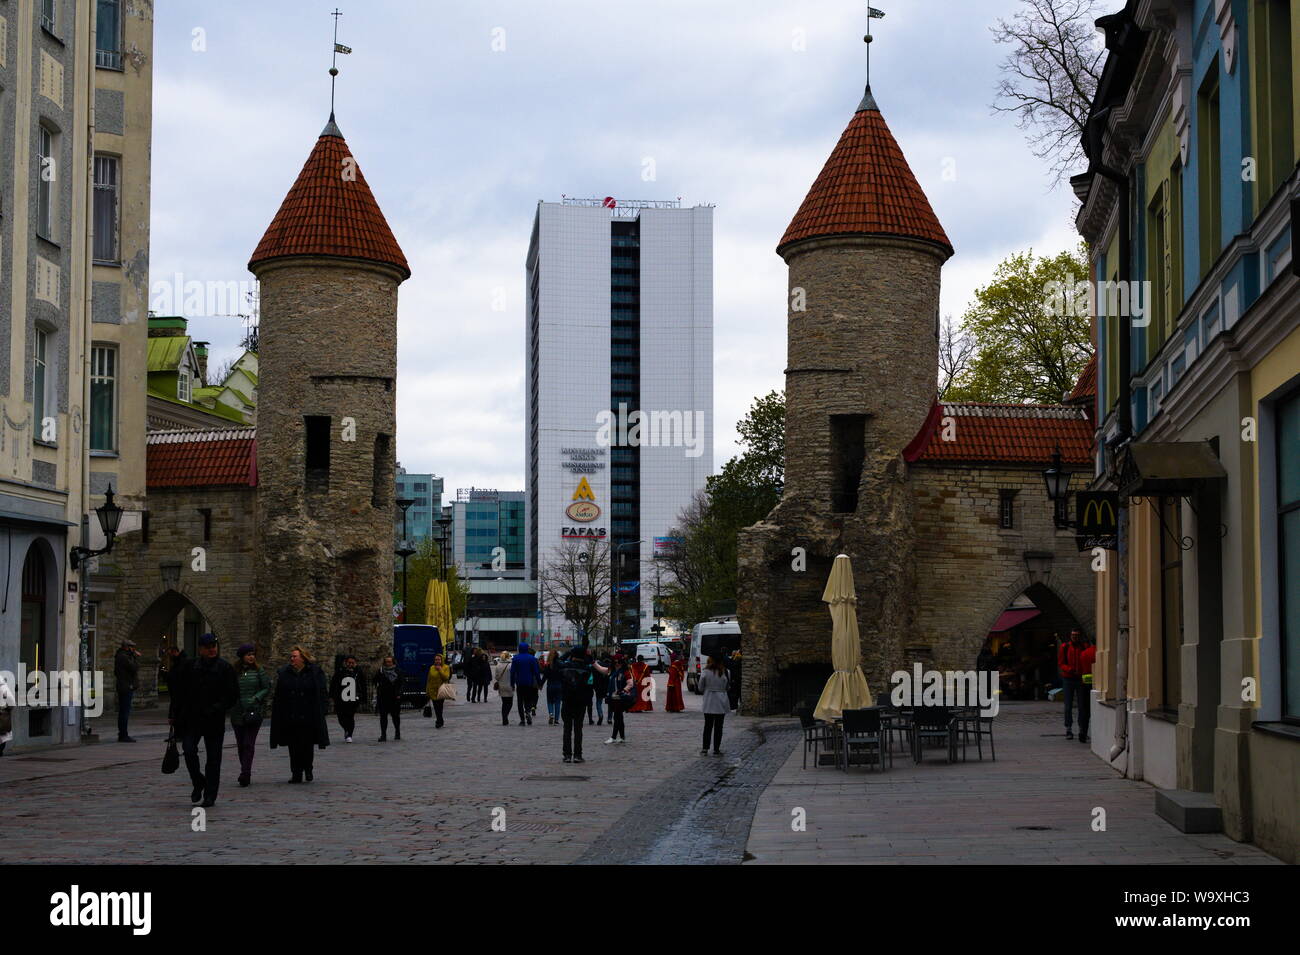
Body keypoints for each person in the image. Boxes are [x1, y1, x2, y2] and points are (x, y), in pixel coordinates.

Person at [168, 633, 238, 807]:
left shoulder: (225, 668)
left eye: (214, 646)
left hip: (214, 720)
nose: (212, 649)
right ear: (200, 649)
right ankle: (198, 781)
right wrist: (173, 714)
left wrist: (217, 707)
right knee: (189, 750)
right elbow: (178, 693)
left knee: (213, 759)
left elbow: (232, 695)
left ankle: (210, 795)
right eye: (208, 647)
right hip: (192, 718)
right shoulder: (190, 667)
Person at [270, 646, 330, 782]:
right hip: (291, 714)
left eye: (295, 656)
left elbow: (322, 692)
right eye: (291, 656)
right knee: (293, 745)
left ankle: (308, 769)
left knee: (307, 745)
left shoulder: (314, 672)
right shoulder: (285, 673)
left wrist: (323, 709)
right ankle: (296, 772)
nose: (292, 659)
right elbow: (279, 694)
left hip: (308, 714)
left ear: (303, 658)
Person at [557, 645, 609, 763]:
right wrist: (590, 658)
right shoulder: (587, 669)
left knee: (567, 729)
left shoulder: (565, 667)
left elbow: (557, 661)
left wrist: (568, 653)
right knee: (578, 729)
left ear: (572, 655)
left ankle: (567, 755)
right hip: (580, 702)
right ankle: (578, 755)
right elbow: (594, 680)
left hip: (567, 701)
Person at [229, 643, 270, 787]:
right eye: (248, 654)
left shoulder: (259, 671)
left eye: (253, 654)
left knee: (248, 744)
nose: (251, 657)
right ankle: (244, 769)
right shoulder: (234, 671)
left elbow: (266, 687)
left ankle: (245, 773)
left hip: (253, 712)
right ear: (242, 657)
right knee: (241, 744)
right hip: (237, 712)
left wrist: (256, 698)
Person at [1058, 629, 1090, 743]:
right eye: (1073, 635)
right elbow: (1061, 663)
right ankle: (1068, 728)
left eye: (1076, 635)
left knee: (1082, 706)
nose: (1074, 637)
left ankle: (1082, 729)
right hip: (1068, 678)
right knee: (1068, 705)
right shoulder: (1064, 647)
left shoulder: (1084, 646)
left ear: (1080, 636)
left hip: (1080, 679)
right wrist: (1069, 669)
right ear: (1070, 636)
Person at [699, 653, 731, 756]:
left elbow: (700, 687)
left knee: (708, 726)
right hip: (721, 701)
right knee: (719, 726)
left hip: (709, 700)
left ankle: (705, 748)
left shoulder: (705, 672)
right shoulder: (726, 672)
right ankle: (716, 749)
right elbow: (727, 687)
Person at [330, 654, 366, 743]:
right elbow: (333, 683)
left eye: (352, 663)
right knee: (341, 717)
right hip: (341, 697)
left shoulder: (358, 672)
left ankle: (349, 734)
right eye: (349, 662)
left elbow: (363, 684)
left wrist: (363, 697)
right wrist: (331, 695)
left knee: (350, 716)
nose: (350, 664)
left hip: (353, 698)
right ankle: (346, 729)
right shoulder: (340, 671)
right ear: (346, 663)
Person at [114, 638, 141, 742]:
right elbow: (134, 668)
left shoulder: (122, 656)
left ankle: (123, 734)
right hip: (126, 687)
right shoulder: (123, 657)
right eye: (132, 647)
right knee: (124, 712)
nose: (133, 649)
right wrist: (135, 657)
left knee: (124, 711)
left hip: (124, 686)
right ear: (126, 647)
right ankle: (123, 735)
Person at [510, 643, 542, 725]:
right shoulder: (532, 658)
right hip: (529, 683)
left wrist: (512, 684)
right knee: (528, 699)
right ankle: (528, 711)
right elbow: (536, 672)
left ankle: (522, 720)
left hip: (519, 683)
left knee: (520, 701)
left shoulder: (516, 658)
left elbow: (512, 672)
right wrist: (539, 683)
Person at [604, 655, 633, 745]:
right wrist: (593, 663)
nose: (617, 664)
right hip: (613, 697)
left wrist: (623, 690)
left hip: (620, 697)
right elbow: (602, 669)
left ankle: (613, 737)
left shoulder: (625, 671)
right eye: (615, 662)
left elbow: (630, 683)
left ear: (621, 662)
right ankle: (622, 737)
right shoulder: (612, 671)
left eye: (618, 662)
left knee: (617, 717)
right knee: (619, 717)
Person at [375, 654, 403, 741]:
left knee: (395, 716)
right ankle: (383, 734)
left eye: (390, 661)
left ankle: (397, 732)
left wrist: (399, 693)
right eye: (386, 661)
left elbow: (401, 683)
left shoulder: (398, 671)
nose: (388, 663)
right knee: (383, 717)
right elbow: (375, 680)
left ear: (393, 662)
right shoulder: (381, 671)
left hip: (394, 697)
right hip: (383, 697)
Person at [425, 653, 452, 728]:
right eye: (436, 660)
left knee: (439, 706)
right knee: (436, 706)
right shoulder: (431, 667)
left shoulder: (446, 667)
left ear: (442, 660)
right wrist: (427, 690)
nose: (437, 661)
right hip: (432, 690)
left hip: (441, 690)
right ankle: (439, 721)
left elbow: (446, 678)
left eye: (439, 660)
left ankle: (439, 720)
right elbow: (429, 679)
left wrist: (440, 670)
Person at [540, 649, 564, 724]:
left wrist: (541, 685)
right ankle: (556, 720)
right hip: (559, 685)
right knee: (557, 703)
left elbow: (545, 677)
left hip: (550, 685)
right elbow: (563, 676)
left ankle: (551, 713)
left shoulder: (548, 665)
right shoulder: (560, 664)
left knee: (550, 701)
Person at [588, 654, 611, 726]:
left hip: (598, 687)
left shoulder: (596, 667)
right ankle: (609, 718)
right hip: (608, 687)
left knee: (599, 703)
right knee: (610, 703)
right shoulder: (611, 666)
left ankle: (600, 715)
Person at [493, 651, 515, 726]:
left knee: (504, 703)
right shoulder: (511, 665)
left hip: (501, 686)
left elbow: (496, 677)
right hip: (509, 685)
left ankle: (504, 718)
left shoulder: (498, 665)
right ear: (508, 656)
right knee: (510, 703)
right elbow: (513, 676)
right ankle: (505, 717)